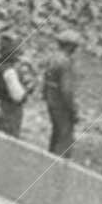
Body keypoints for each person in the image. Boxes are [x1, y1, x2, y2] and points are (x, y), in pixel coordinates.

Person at [43, 30, 81, 158]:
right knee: (64, 138)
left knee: (56, 133)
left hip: (51, 101)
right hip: (62, 105)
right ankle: (58, 171)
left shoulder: (52, 58)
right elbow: (66, 90)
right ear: (69, 46)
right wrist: (73, 109)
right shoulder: (65, 62)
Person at [0, 35, 27, 138]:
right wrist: (27, 91)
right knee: (10, 138)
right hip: (9, 110)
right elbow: (18, 96)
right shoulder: (9, 72)